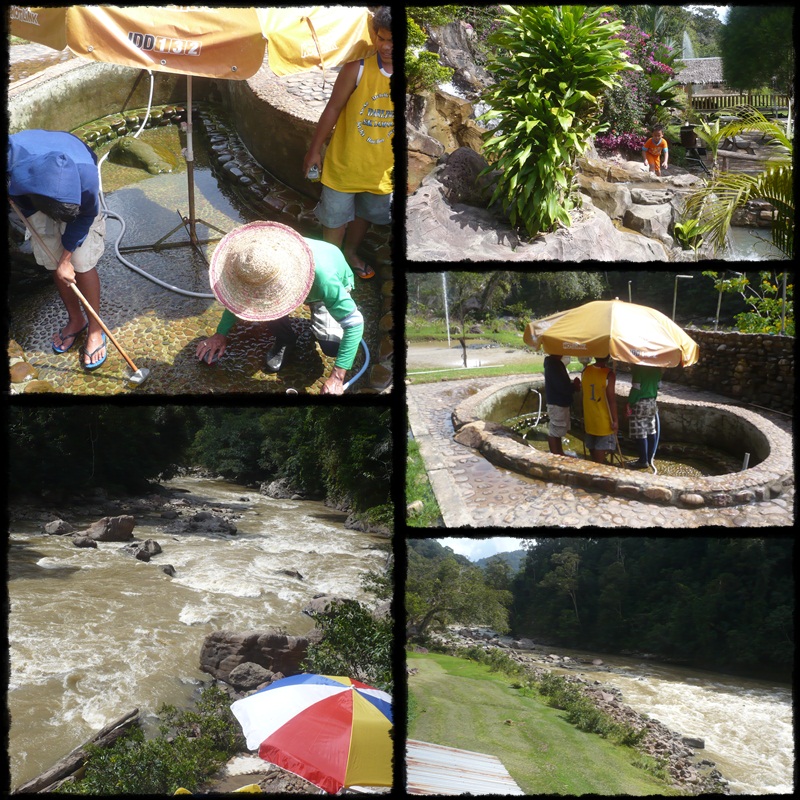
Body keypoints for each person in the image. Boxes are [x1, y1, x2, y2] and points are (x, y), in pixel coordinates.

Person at [196, 221, 364, 395]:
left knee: (332, 346)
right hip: (306, 282)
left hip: (322, 292)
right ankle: (285, 338)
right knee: (261, 307)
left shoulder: (324, 278)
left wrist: (337, 377)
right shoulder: (255, 258)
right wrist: (220, 334)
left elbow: (355, 323)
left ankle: (329, 310)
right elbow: (241, 296)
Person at [302, 6, 393, 280]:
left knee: (364, 215)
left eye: (393, 41)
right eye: (381, 38)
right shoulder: (357, 69)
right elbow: (332, 109)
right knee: (334, 218)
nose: (385, 46)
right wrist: (314, 150)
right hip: (344, 164)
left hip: (380, 170)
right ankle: (331, 269)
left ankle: (350, 253)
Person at [8, 129, 107, 369]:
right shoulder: (11, 158)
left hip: (74, 192)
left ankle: (95, 329)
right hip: (30, 194)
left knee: (81, 262)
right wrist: (59, 262)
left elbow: (84, 216)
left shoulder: (86, 178)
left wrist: (67, 259)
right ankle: (76, 320)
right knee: (52, 259)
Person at [581, 355, 618, 464]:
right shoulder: (609, 375)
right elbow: (611, 400)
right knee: (600, 455)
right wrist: (615, 420)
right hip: (604, 421)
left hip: (589, 417)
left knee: (592, 448)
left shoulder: (585, 371)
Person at [625, 364, 663, 470]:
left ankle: (643, 461)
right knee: (651, 429)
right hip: (652, 402)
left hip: (640, 403)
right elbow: (659, 386)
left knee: (640, 432)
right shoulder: (657, 370)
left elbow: (636, 389)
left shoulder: (639, 370)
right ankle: (649, 458)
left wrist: (629, 403)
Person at [543, 353, 581, 456]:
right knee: (555, 431)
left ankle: (559, 452)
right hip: (557, 403)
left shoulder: (555, 363)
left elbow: (561, 385)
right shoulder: (553, 365)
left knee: (557, 430)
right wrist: (574, 386)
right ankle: (556, 454)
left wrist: (572, 386)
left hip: (558, 402)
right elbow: (562, 387)